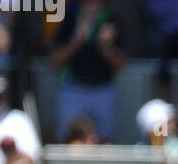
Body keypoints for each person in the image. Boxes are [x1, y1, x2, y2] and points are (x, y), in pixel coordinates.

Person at [49, 1, 125, 143]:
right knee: (67, 138)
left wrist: (106, 46)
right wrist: (78, 39)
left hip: (103, 89)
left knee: (103, 140)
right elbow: (55, 60)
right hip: (72, 89)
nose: (92, 4)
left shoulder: (112, 20)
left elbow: (121, 65)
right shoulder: (70, 17)